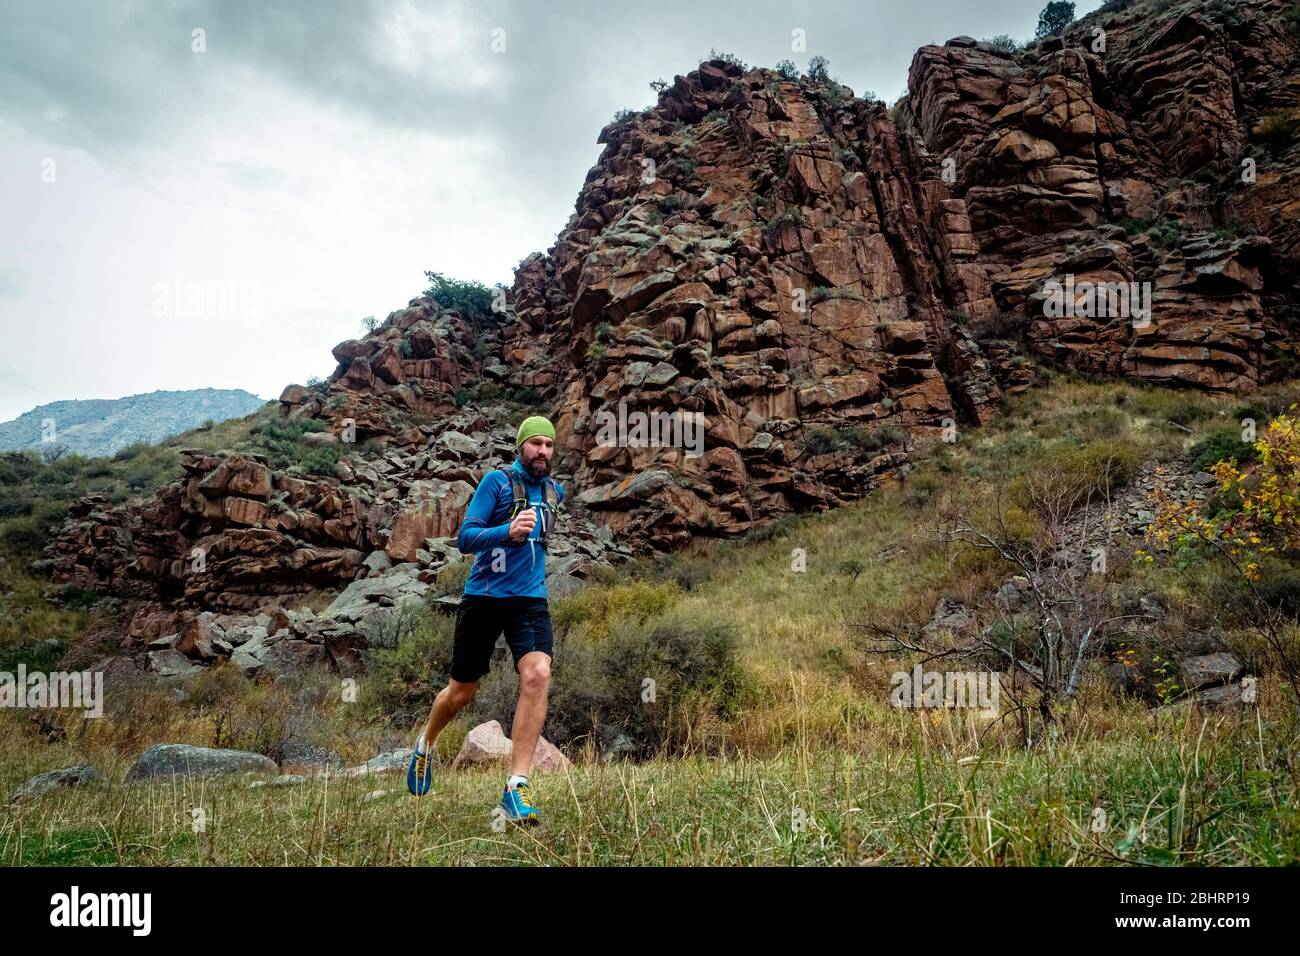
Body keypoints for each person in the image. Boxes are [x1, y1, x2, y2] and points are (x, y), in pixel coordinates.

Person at [405, 415, 565, 825]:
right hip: (484, 598)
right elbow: (466, 538)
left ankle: (516, 787)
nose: (542, 452)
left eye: (549, 445)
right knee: (461, 693)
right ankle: (426, 745)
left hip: (529, 601)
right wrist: (507, 531)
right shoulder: (496, 482)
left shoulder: (553, 492)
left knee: (538, 674)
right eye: (535, 444)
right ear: (521, 447)